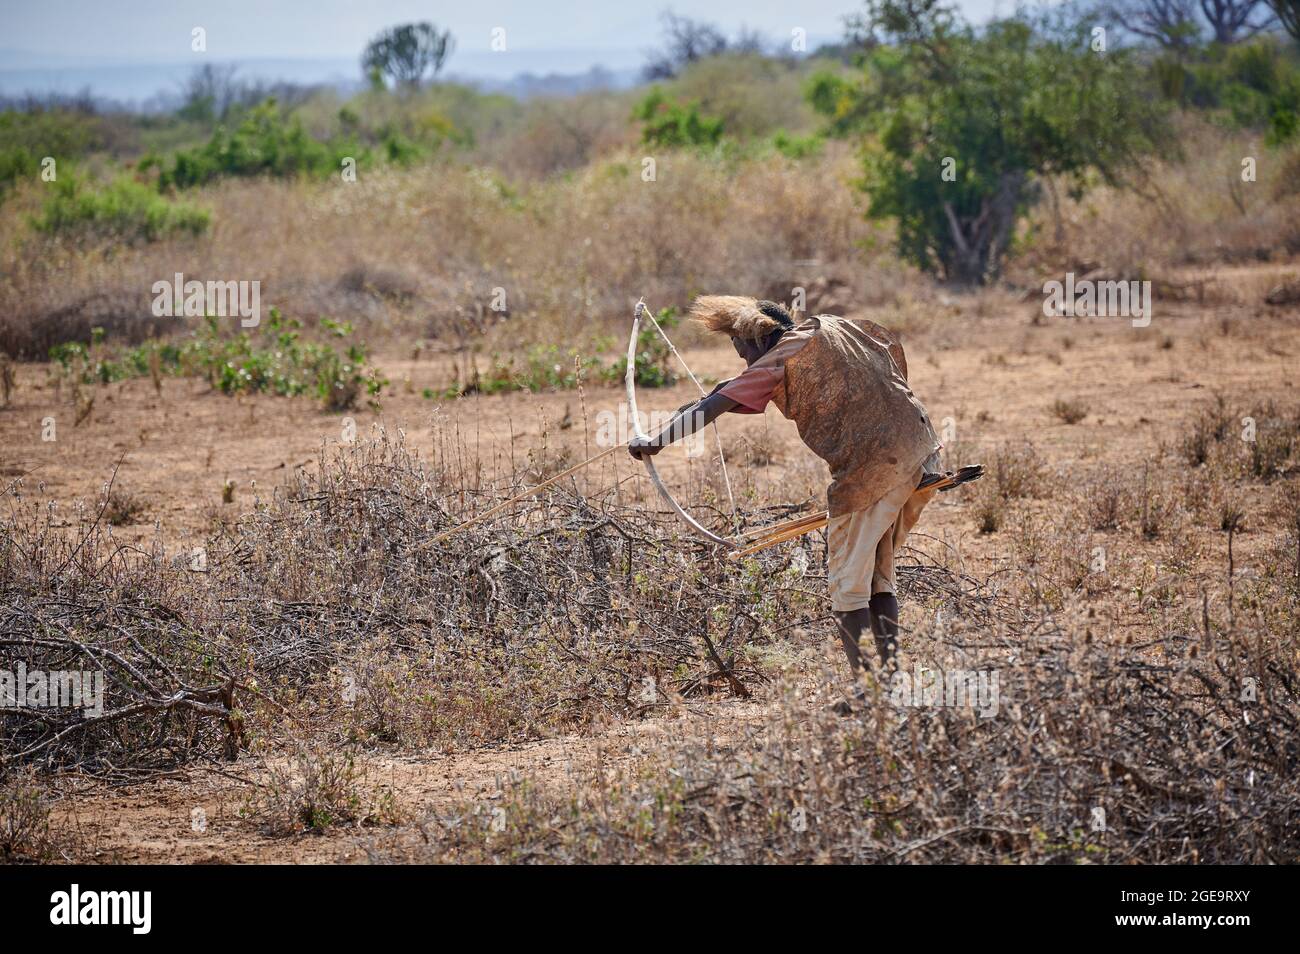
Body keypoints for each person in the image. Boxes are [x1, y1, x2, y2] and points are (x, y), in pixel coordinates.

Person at [628, 296, 945, 679]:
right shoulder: (831, 326)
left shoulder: (778, 360)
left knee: (847, 588)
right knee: (878, 578)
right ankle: (891, 682)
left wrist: (654, 442)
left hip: (872, 473)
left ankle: (869, 692)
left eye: (740, 348)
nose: (742, 358)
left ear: (758, 339)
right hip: (922, 452)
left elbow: (715, 407)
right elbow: (888, 348)